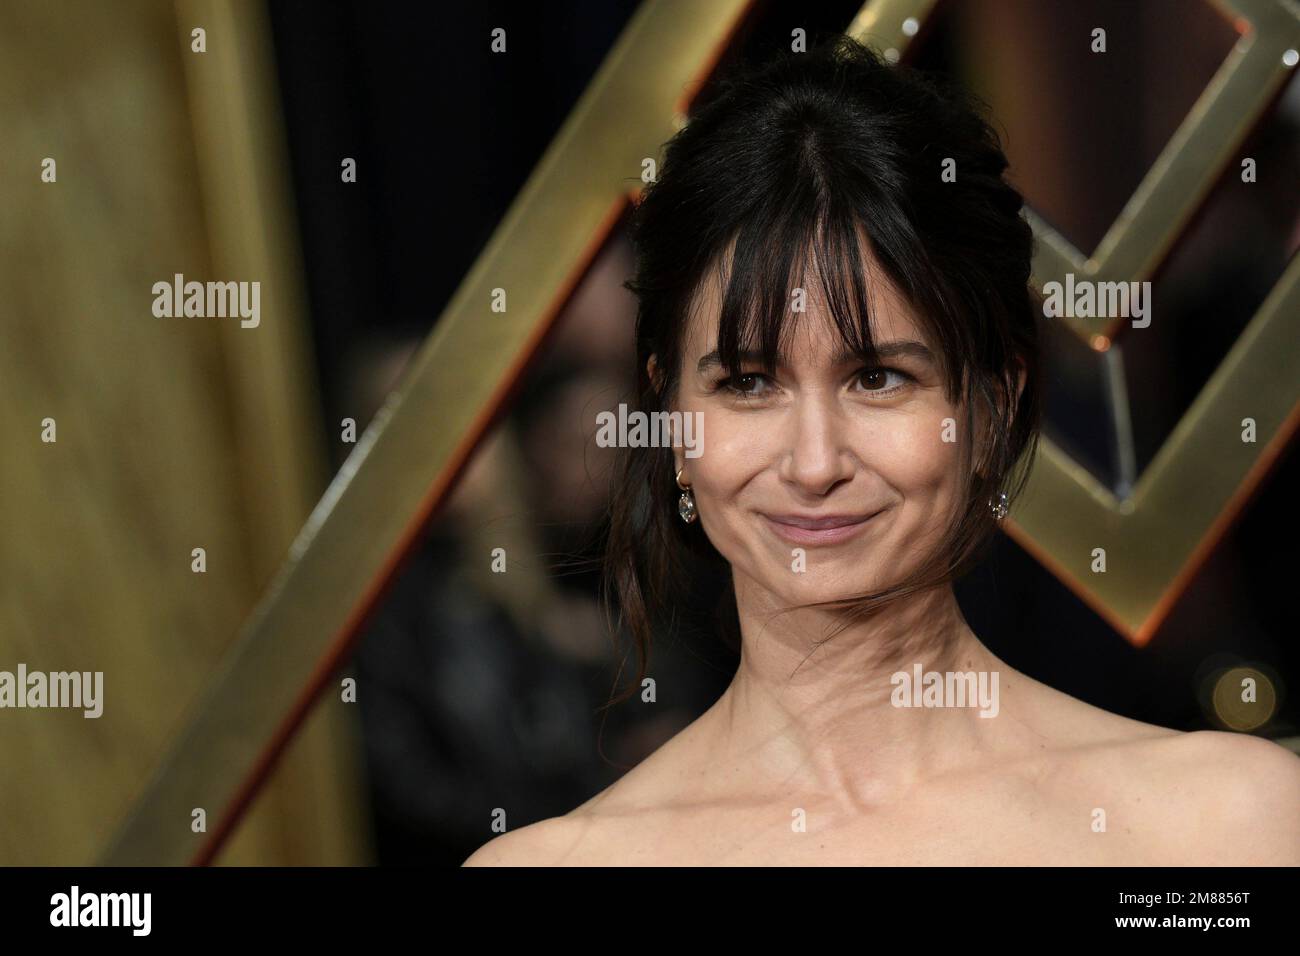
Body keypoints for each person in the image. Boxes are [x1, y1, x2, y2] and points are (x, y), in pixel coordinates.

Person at [464, 35, 1300, 865]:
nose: (815, 463)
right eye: (749, 384)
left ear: (992, 406)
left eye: (877, 378)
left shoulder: (1225, 827)